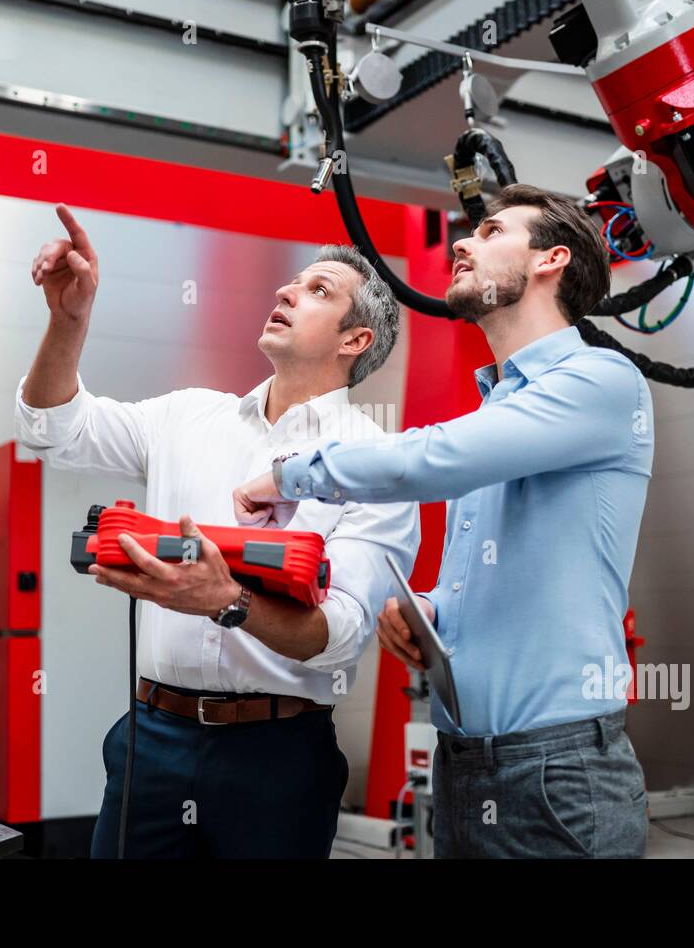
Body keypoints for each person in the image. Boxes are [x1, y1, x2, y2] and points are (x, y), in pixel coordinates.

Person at [234, 184, 653, 858]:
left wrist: (290, 472)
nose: (463, 242)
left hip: (559, 770)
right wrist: (429, 612)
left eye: (491, 233)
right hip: (468, 764)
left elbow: (429, 459)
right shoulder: (498, 409)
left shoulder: (600, 380)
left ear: (551, 261)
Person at [14, 204, 419, 858]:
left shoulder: (375, 465)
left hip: (277, 758)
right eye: (292, 282)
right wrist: (69, 320)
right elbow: (51, 432)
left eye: (318, 290)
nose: (287, 291)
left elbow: (338, 637)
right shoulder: (188, 418)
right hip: (152, 741)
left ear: (356, 341)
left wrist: (225, 602)